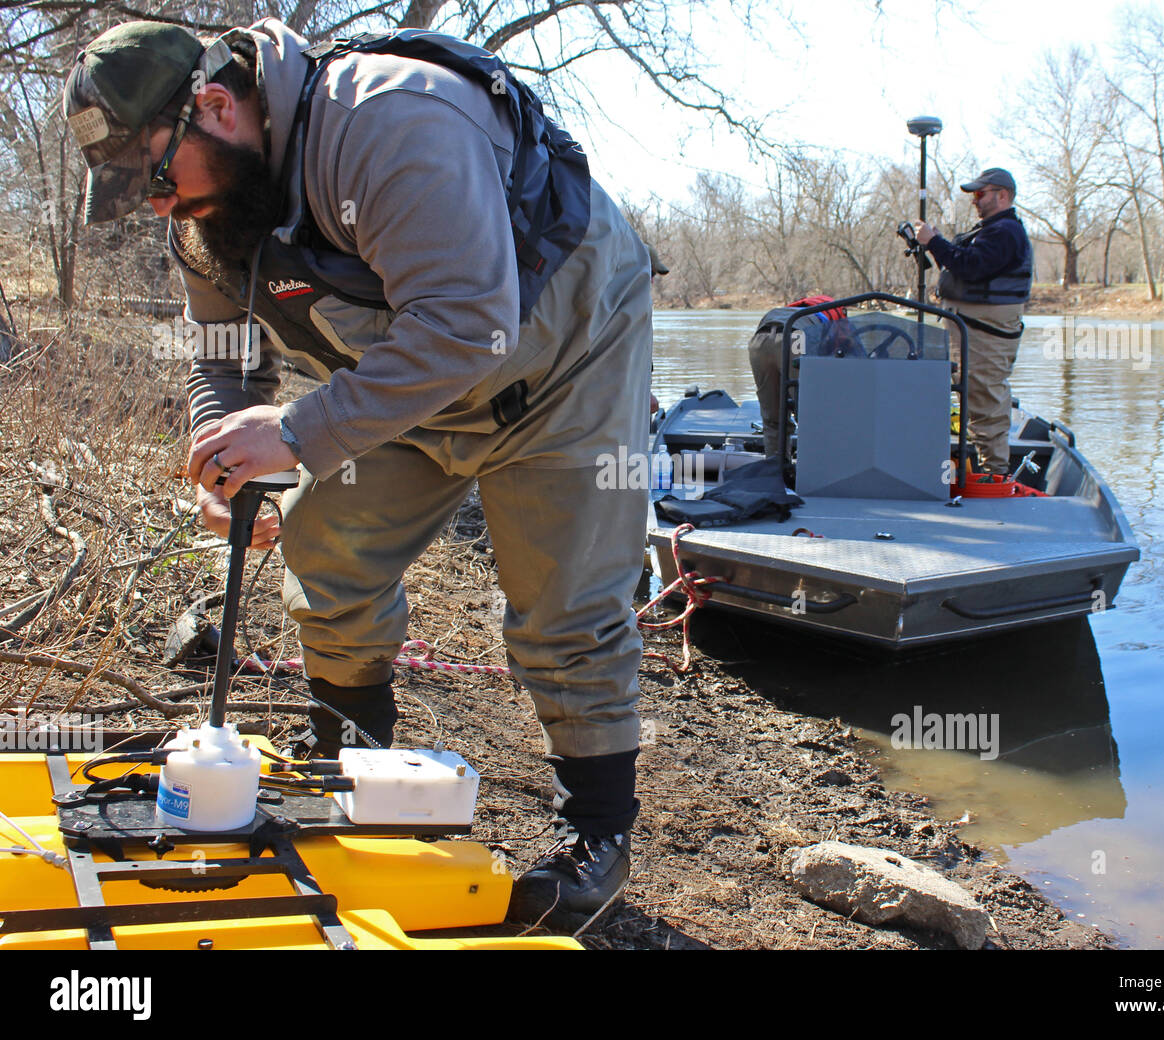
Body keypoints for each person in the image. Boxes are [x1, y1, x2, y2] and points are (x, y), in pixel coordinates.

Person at [62, 18, 652, 927]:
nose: (155, 207)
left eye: (154, 178)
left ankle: (599, 838)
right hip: (409, 378)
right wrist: (223, 445)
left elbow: (468, 325)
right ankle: (349, 768)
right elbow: (222, 354)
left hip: (561, 364)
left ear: (215, 107)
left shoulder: (394, 123)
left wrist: (298, 431)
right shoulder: (209, 206)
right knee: (324, 544)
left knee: (563, 605)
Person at [916, 168, 1033, 474]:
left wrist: (933, 243)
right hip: (972, 331)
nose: (975, 201)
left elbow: (971, 266)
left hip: (985, 335)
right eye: (973, 196)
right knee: (977, 395)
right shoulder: (991, 231)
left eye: (981, 194)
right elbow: (962, 262)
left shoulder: (1005, 232)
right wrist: (939, 243)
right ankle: (986, 470)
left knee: (984, 399)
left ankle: (994, 475)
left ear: (1003, 195)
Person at [747, 295, 859, 457]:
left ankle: (775, 470)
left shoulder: (787, 310)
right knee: (810, 413)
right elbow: (851, 352)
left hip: (760, 340)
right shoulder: (836, 312)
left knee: (773, 418)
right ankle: (815, 468)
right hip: (796, 337)